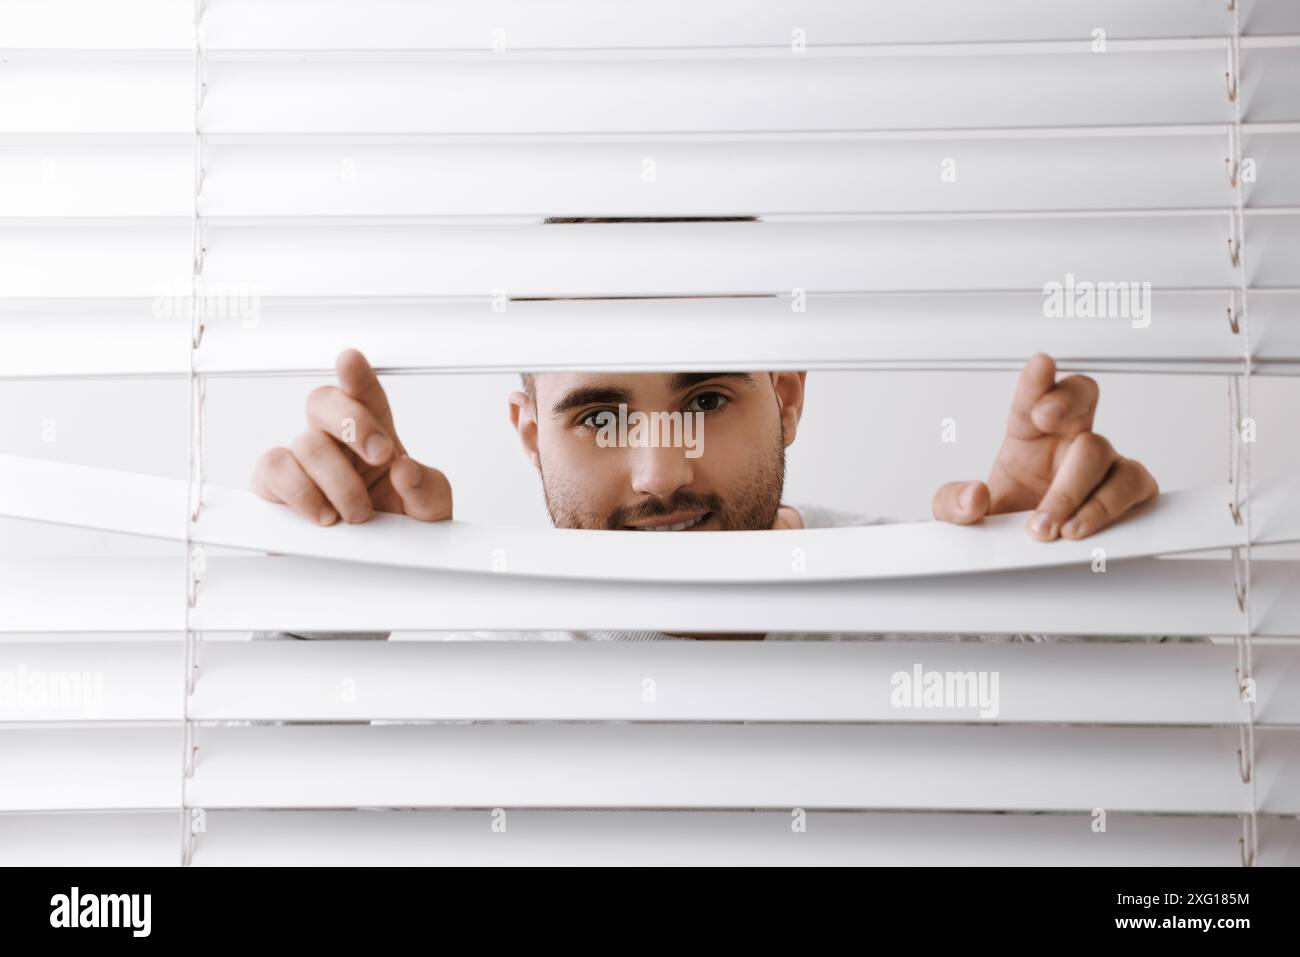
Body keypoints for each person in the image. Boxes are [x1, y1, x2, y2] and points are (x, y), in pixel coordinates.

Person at [251, 348, 1171, 643]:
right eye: (600, 416)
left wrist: (1069, 592)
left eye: (704, 401)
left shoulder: (937, 624)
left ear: (790, 399)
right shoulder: (464, 660)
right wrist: (329, 614)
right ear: (533, 435)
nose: (662, 475)